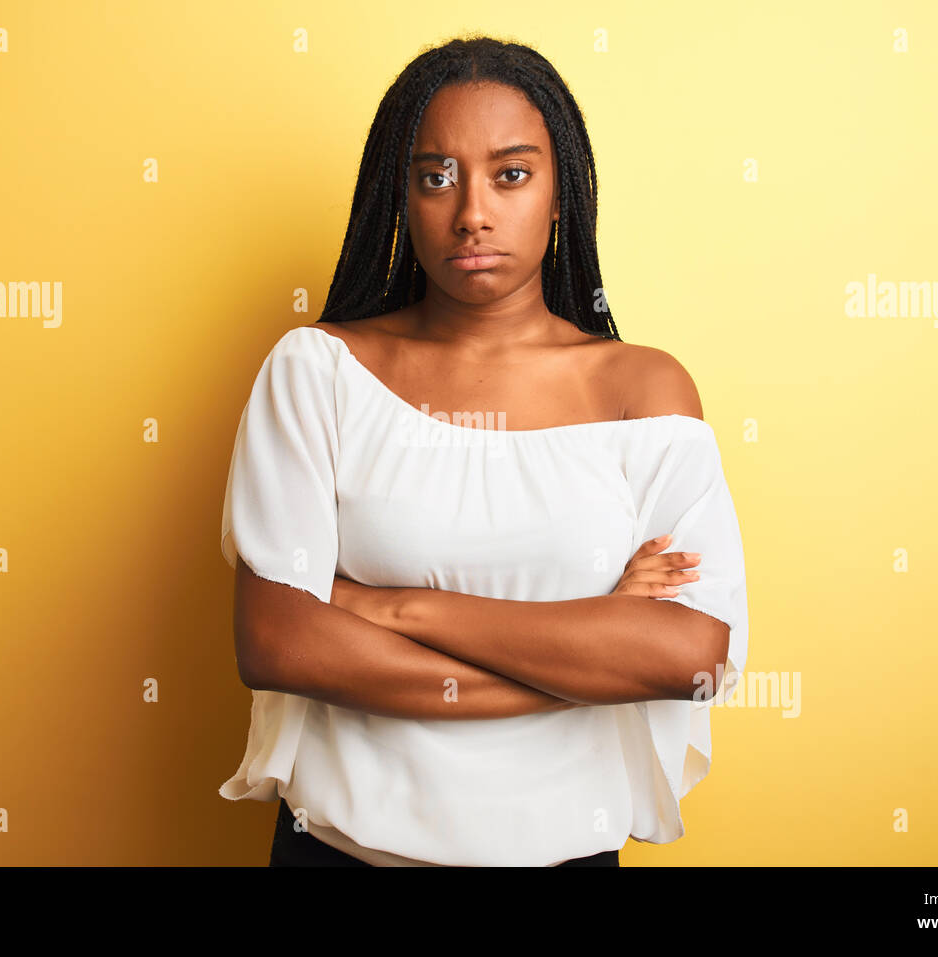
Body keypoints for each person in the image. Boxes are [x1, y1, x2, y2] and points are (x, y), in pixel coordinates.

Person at [219, 35, 749, 867]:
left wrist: (389, 606)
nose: (472, 211)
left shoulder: (642, 392)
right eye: (436, 176)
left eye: (510, 174)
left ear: (559, 193)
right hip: (341, 854)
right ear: (401, 195)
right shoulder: (317, 372)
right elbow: (279, 643)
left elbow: (690, 657)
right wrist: (587, 660)